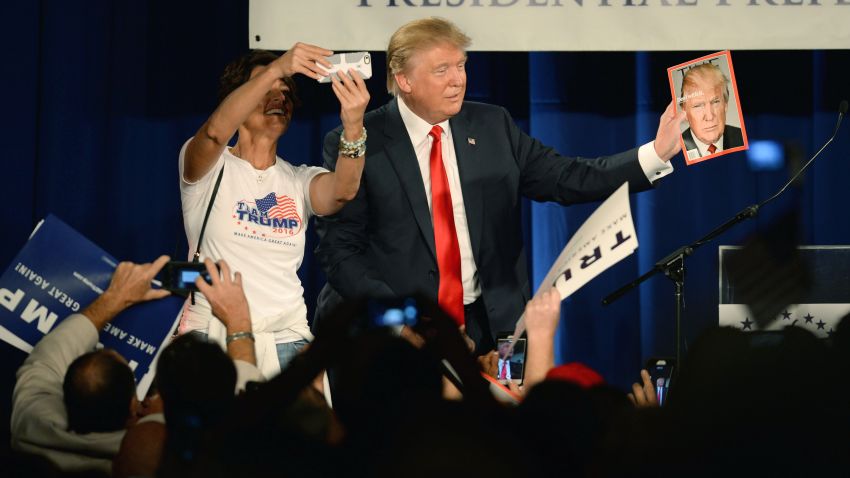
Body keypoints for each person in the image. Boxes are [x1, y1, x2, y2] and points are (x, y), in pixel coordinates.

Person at [315, 17, 685, 352]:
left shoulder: (492, 125)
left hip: (486, 328)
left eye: (461, 66)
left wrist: (656, 152)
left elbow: (567, 176)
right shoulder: (359, 141)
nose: (458, 79)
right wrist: (403, 321)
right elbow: (341, 255)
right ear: (405, 81)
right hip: (396, 335)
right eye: (441, 70)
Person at [179, 44, 370, 377]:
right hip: (211, 338)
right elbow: (213, 133)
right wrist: (278, 68)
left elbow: (344, 189)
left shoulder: (298, 179)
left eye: (285, 92)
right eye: (267, 89)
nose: (279, 97)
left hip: (287, 341)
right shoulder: (210, 167)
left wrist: (354, 127)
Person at [10, 256, 171, 474]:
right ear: (133, 406)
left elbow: (48, 357)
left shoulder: (31, 423)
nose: (111, 350)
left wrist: (114, 297)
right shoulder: (146, 457)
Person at [678, 62, 745, 160]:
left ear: (725, 104)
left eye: (715, 102)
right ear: (685, 112)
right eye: (698, 106)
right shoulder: (675, 150)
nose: (709, 117)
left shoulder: (741, 138)